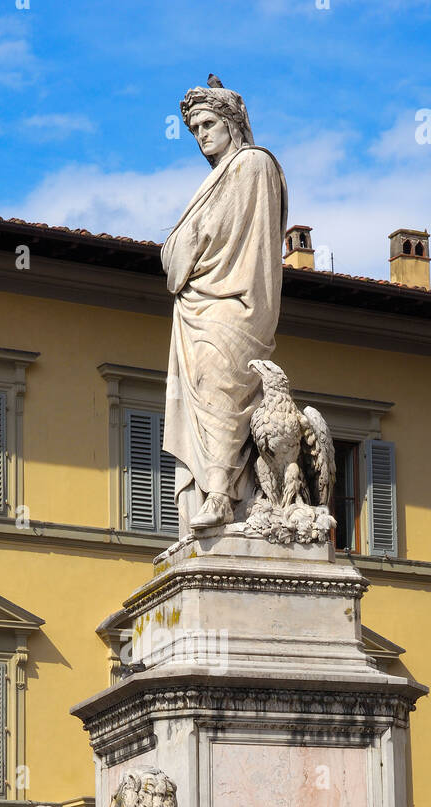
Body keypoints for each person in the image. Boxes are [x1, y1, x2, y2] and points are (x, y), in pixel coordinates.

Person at [162, 78, 287, 534]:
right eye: (194, 129)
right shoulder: (219, 177)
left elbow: (195, 242)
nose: (201, 136)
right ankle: (216, 496)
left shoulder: (252, 164)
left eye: (209, 123)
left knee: (221, 389)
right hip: (201, 307)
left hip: (234, 307)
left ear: (233, 122)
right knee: (203, 392)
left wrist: (178, 248)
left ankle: (220, 494)